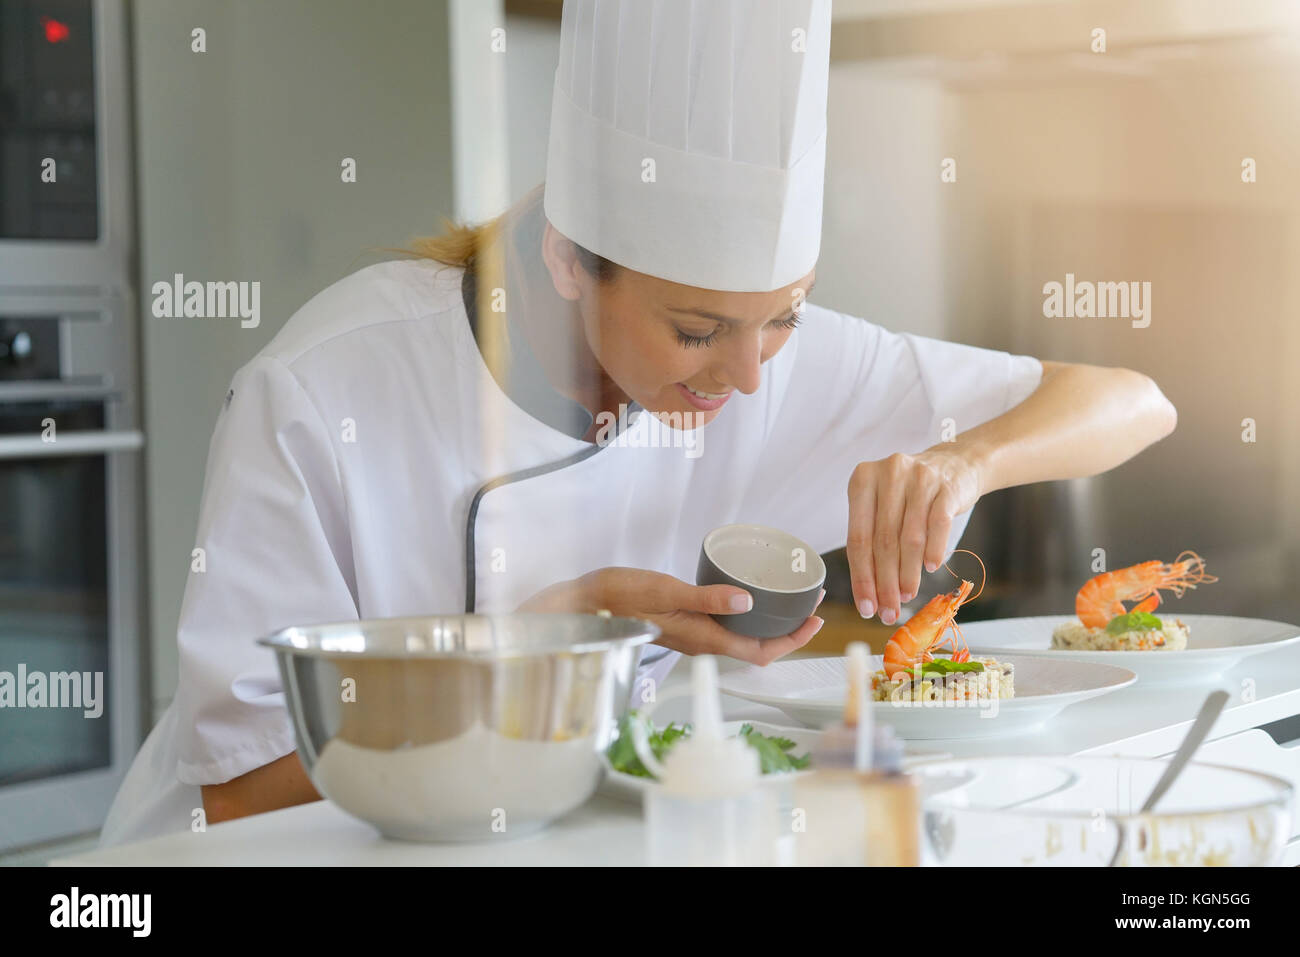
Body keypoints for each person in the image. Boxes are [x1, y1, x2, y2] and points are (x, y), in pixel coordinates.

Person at [99, 0, 1175, 845]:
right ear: (567, 262)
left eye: (785, 318)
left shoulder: (767, 361)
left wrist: (963, 459)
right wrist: (550, 649)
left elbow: (1133, 400)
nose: (750, 379)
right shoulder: (324, 393)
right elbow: (241, 795)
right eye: (697, 329)